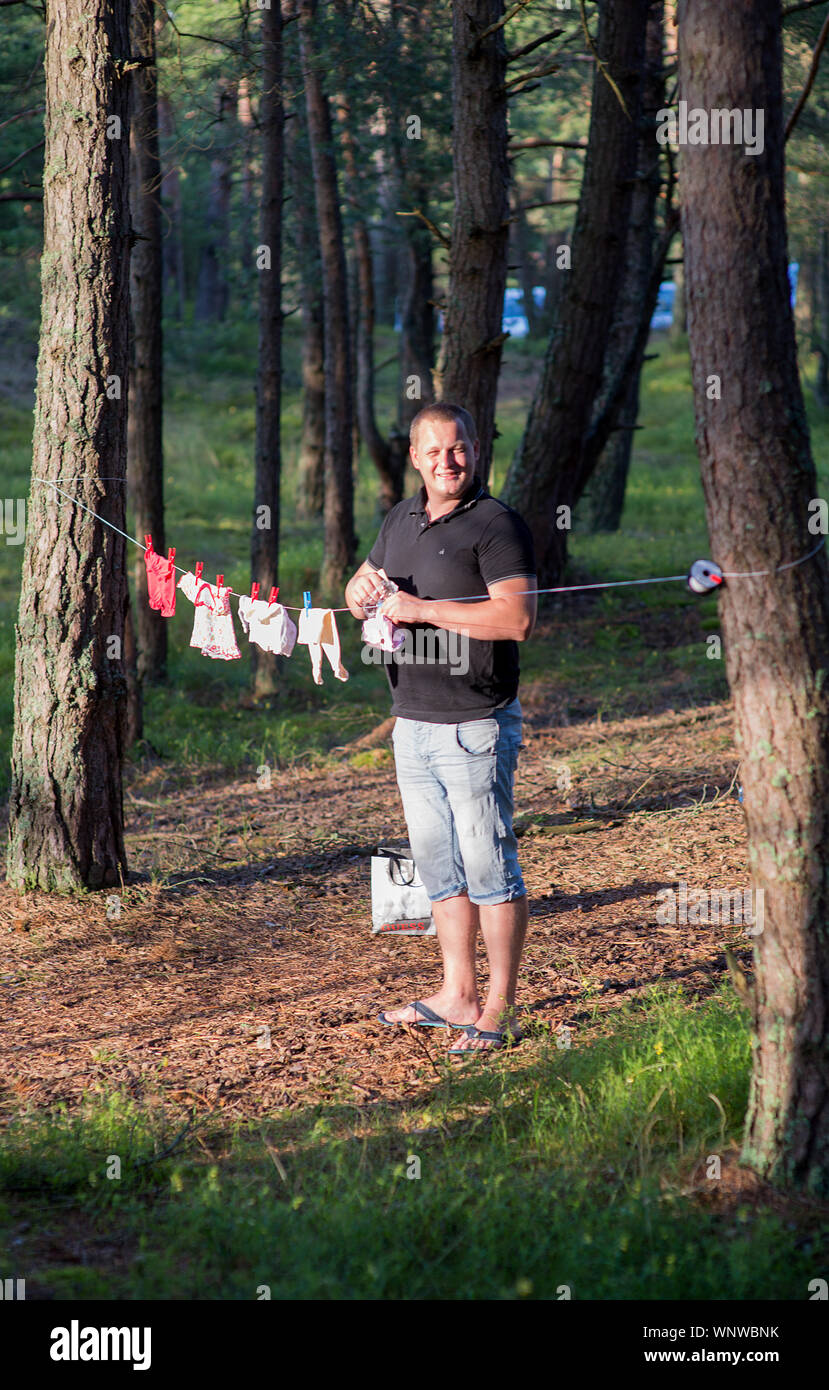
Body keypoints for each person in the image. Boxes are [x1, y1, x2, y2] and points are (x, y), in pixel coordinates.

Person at [344, 402, 537, 1052]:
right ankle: (455, 993)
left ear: (475, 448)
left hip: (474, 725)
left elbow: (514, 620)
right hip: (411, 723)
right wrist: (356, 593)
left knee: (489, 866)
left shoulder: (496, 524)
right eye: (433, 452)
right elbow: (361, 580)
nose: (446, 461)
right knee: (439, 869)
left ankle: (499, 1009)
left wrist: (423, 609)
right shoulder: (399, 518)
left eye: (456, 449)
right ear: (415, 457)